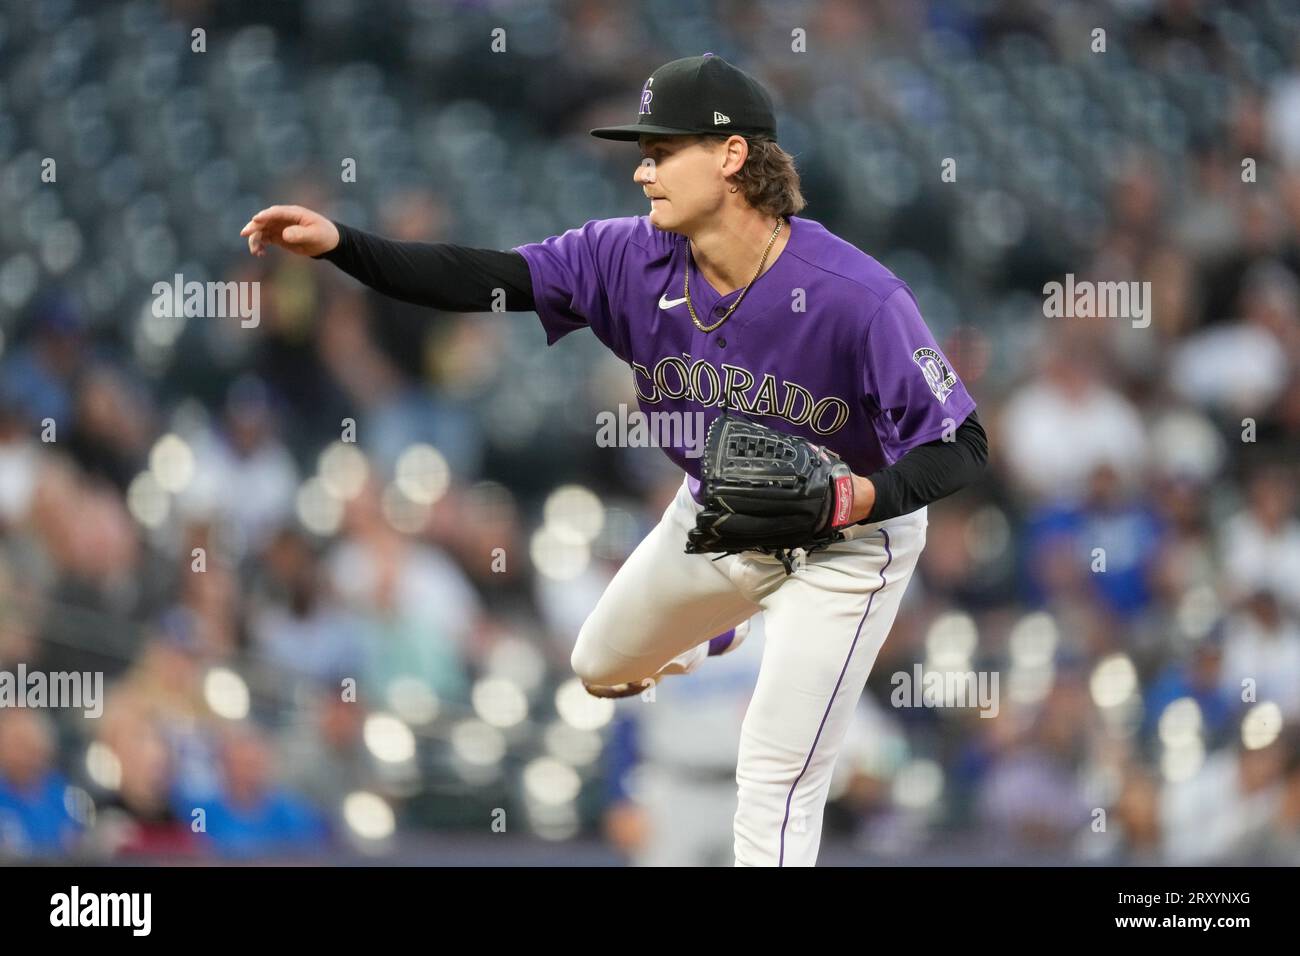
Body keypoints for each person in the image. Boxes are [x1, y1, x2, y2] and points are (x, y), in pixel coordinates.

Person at [241, 54, 988, 866]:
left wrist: (853, 499)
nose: (642, 171)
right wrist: (343, 246)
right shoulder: (626, 257)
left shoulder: (858, 296)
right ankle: (723, 628)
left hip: (851, 542)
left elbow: (962, 445)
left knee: (774, 775)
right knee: (600, 665)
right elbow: (484, 277)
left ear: (732, 156)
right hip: (722, 510)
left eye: (661, 151)